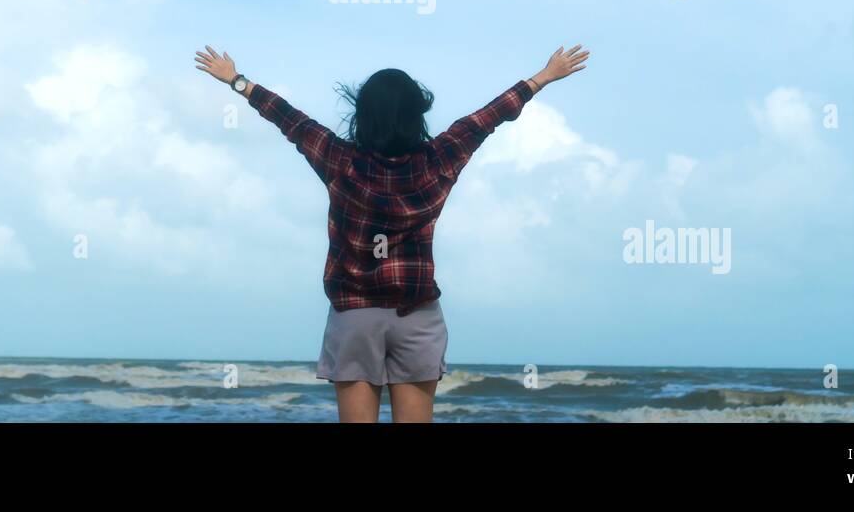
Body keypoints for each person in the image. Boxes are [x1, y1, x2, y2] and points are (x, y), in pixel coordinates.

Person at [194, 44, 589, 422]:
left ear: (362, 115)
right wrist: (544, 76)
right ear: (418, 115)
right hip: (416, 315)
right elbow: (488, 117)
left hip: (355, 316)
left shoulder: (339, 160)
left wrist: (238, 81)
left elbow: (290, 120)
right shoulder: (438, 160)